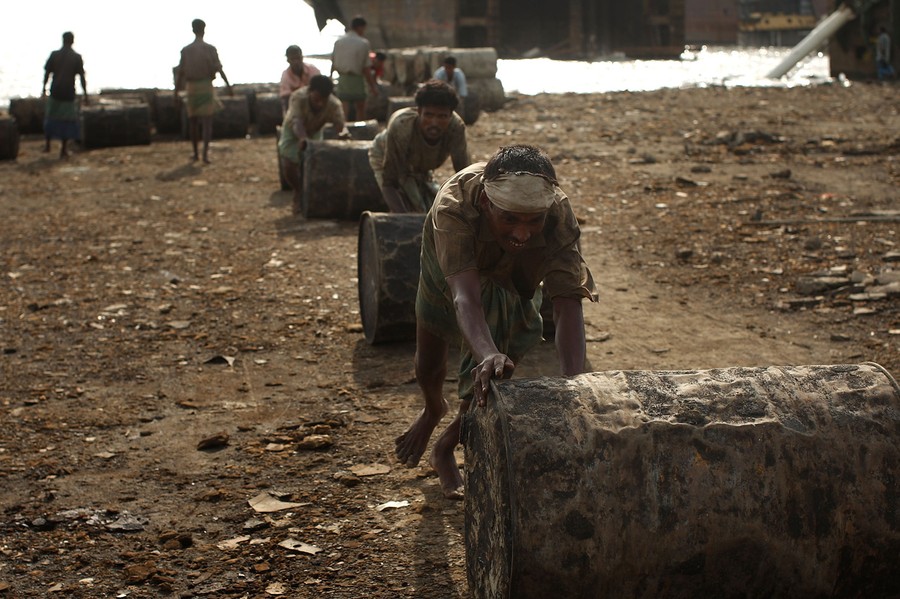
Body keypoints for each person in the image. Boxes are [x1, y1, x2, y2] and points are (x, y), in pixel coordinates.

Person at [393, 144, 596, 499]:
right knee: (431, 357)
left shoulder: (558, 213)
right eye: (510, 219)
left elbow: (567, 303)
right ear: (487, 204)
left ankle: (445, 447)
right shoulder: (453, 208)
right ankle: (432, 407)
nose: (522, 233)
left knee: (497, 372)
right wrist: (486, 351)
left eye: (534, 221)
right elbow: (464, 297)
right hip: (455, 271)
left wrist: (573, 383)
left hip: (514, 273)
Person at [368, 79, 470, 213]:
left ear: (450, 115)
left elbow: (464, 175)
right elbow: (389, 182)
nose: (434, 123)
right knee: (415, 209)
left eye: (442, 117)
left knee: (436, 208)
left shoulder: (456, 128)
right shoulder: (402, 126)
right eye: (429, 115)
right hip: (385, 154)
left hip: (420, 164)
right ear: (419, 111)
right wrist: (405, 219)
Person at [278, 74, 350, 215]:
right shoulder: (298, 97)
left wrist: (344, 134)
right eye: (317, 99)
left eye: (324, 100)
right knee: (288, 162)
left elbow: (341, 125)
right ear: (310, 91)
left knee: (315, 163)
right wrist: (303, 139)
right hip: (293, 130)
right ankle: (298, 192)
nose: (320, 104)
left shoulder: (334, 104)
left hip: (315, 130)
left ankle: (309, 192)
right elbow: (296, 122)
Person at [174, 18, 232, 164]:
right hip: (206, 86)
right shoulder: (210, 49)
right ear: (204, 29)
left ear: (193, 30)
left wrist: (175, 93)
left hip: (192, 87)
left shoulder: (186, 50)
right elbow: (219, 69)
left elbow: (180, 73)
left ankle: (195, 153)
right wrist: (228, 85)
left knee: (193, 122)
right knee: (207, 123)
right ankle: (205, 154)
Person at [41, 31, 88, 159]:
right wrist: (85, 94)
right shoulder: (76, 57)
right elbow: (82, 78)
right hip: (68, 92)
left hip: (55, 90)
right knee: (66, 121)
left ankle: (47, 144)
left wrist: (43, 89)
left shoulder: (54, 55)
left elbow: (47, 74)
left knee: (51, 117)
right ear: (72, 41)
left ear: (62, 40)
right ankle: (63, 149)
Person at [330, 15, 378, 121]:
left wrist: (330, 78)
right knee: (360, 108)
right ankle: (360, 129)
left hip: (342, 78)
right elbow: (366, 68)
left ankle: (343, 129)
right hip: (357, 78)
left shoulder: (338, 42)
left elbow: (333, 62)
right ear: (360, 27)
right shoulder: (363, 43)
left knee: (343, 109)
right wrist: (373, 86)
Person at [279, 45, 321, 114]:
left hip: (315, 104)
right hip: (295, 107)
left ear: (302, 57)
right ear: (288, 60)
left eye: (298, 58)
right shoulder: (285, 76)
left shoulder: (313, 70)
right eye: (293, 59)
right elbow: (285, 97)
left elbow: (321, 88)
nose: (296, 62)